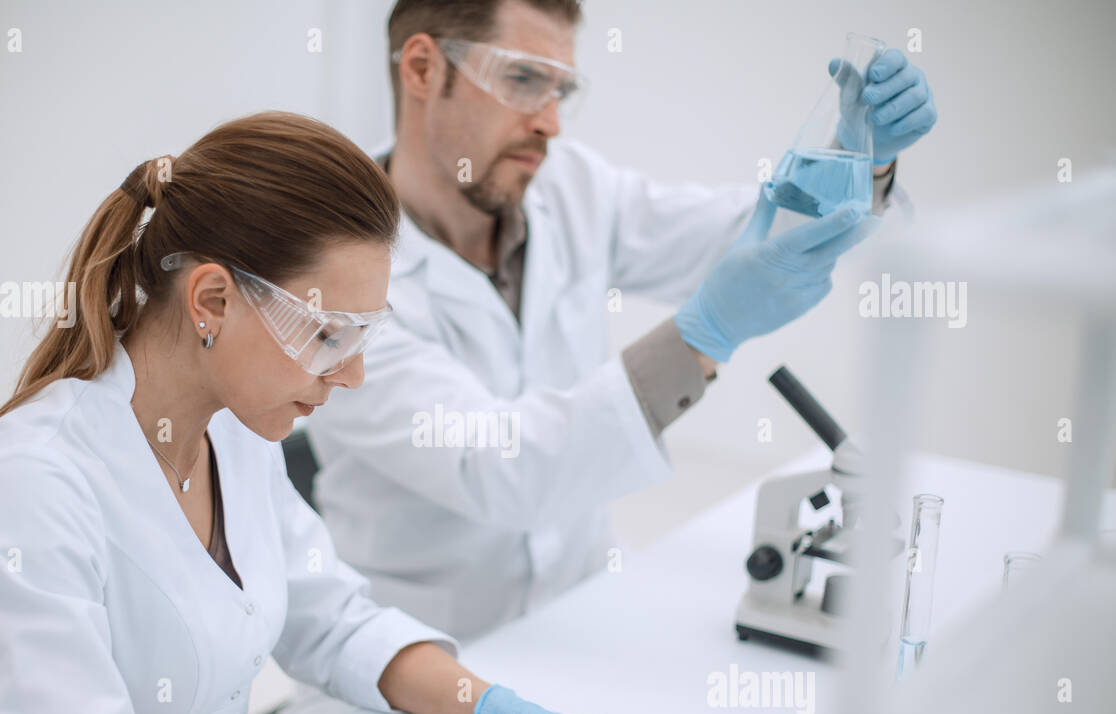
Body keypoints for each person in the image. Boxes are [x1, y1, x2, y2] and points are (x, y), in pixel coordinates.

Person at [0, 111, 687, 714]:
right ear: (212, 301)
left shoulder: (232, 426)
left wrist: (496, 707)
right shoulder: (34, 487)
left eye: (364, 335)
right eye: (329, 334)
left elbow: (330, 621)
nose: (356, 373)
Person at [303, 0, 937, 644]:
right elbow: (498, 467)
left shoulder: (570, 188)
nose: (549, 123)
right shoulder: (333, 282)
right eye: (523, 80)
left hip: (579, 621)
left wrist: (860, 161)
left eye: (561, 90)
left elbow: (755, 241)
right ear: (420, 68)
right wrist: (700, 337)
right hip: (410, 657)